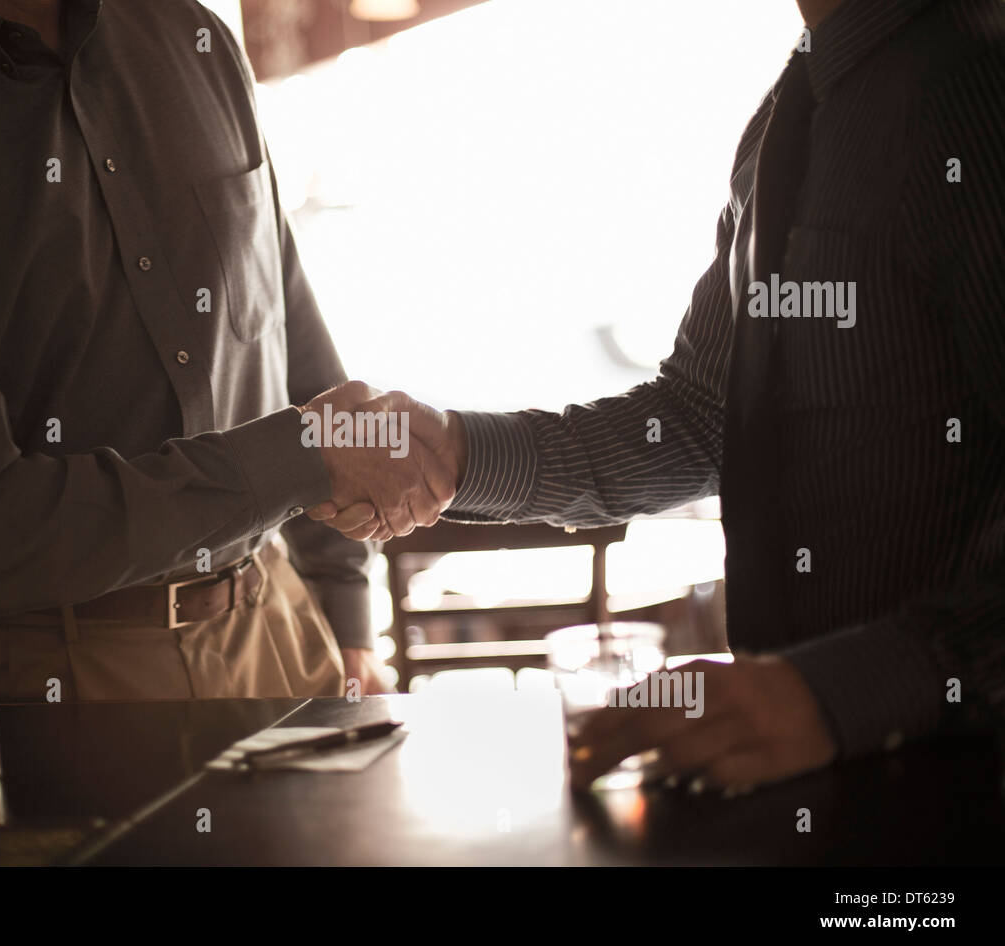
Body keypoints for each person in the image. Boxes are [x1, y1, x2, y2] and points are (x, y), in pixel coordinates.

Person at [312, 0, 1005, 790]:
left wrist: (830, 695)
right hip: (812, 789)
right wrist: (457, 454)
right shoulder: (794, 108)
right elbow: (700, 419)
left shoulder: (977, 87)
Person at [0, 0, 452, 703]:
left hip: (279, 631)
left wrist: (347, 619)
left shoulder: (195, 38)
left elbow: (289, 335)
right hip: (32, 691)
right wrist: (298, 460)